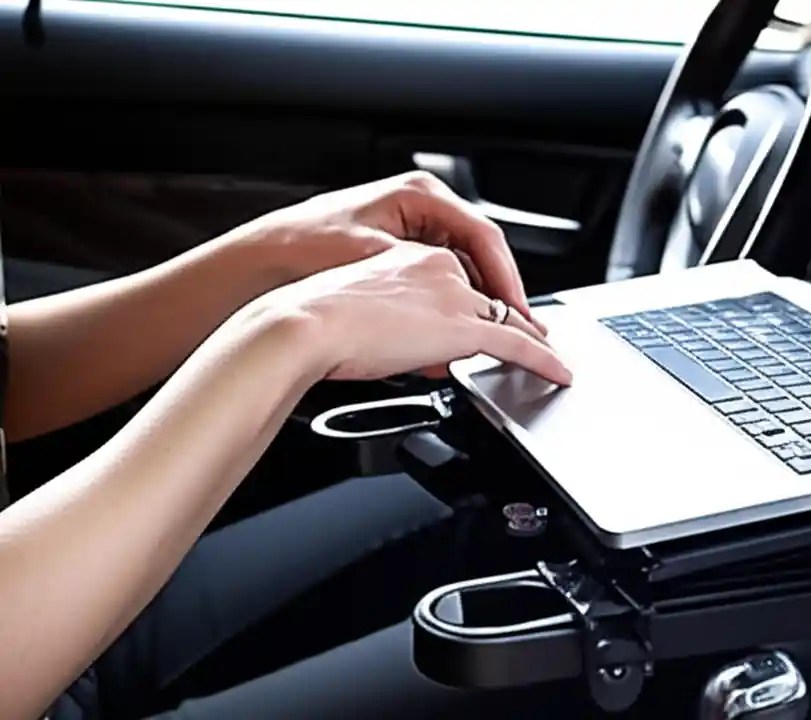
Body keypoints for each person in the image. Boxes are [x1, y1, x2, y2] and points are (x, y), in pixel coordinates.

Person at [0, 171, 581, 719]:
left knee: (493, 501)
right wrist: (295, 328)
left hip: (49, 586)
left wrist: (273, 250)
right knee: (583, 651)